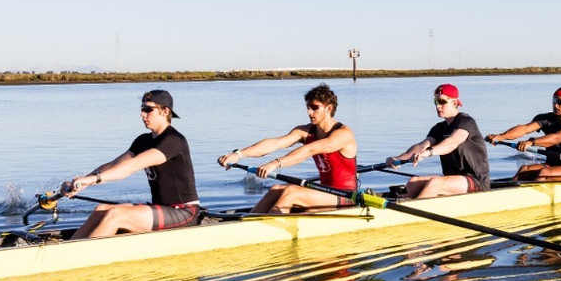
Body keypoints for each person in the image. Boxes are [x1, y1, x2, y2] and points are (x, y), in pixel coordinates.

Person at [59, 90, 202, 237]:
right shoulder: (143, 141)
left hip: (184, 212)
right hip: (161, 208)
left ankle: (80, 255)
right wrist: (82, 183)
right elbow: (114, 165)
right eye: (142, 110)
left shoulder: (174, 140)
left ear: (165, 111)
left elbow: (131, 166)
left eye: (148, 110)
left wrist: (93, 179)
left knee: (115, 215)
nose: (142, 115)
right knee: (101, 210)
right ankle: (67, 250)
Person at [218, 83, 358, 213]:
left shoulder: (343, 134)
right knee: (275, 189)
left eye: (314, 108)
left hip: (346, 198)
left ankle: (267, 231)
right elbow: (275, 143)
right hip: (323, 194)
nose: (309, 112)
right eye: (308, 107)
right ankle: (247, 225)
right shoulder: (305, 131)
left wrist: (275, 164)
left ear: (328, 108)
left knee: (291, 191)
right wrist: (239, 154)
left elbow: (310, 150)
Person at [384, 83, 490, 199]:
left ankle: (416, 211)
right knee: (413, 182)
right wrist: (398, 158)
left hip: (476, 181)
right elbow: (421, 146)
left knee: (435, 183)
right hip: (454, 180)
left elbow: (452, 142)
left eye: (442, 102)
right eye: (436, 102)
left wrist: (428, 152)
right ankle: (404, 206)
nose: (438, 106)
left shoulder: (467, 122)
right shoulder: (439, 128)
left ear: (454, 103)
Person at [487, 86, 561, 181]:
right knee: (524, 170)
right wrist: (501, 136)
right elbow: (524, 129)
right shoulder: (545, 118)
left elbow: (557, 138)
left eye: (560, 102)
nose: (556, 105)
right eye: (554, 101)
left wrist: (532, 142)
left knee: (544, 173)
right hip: (553, 164)